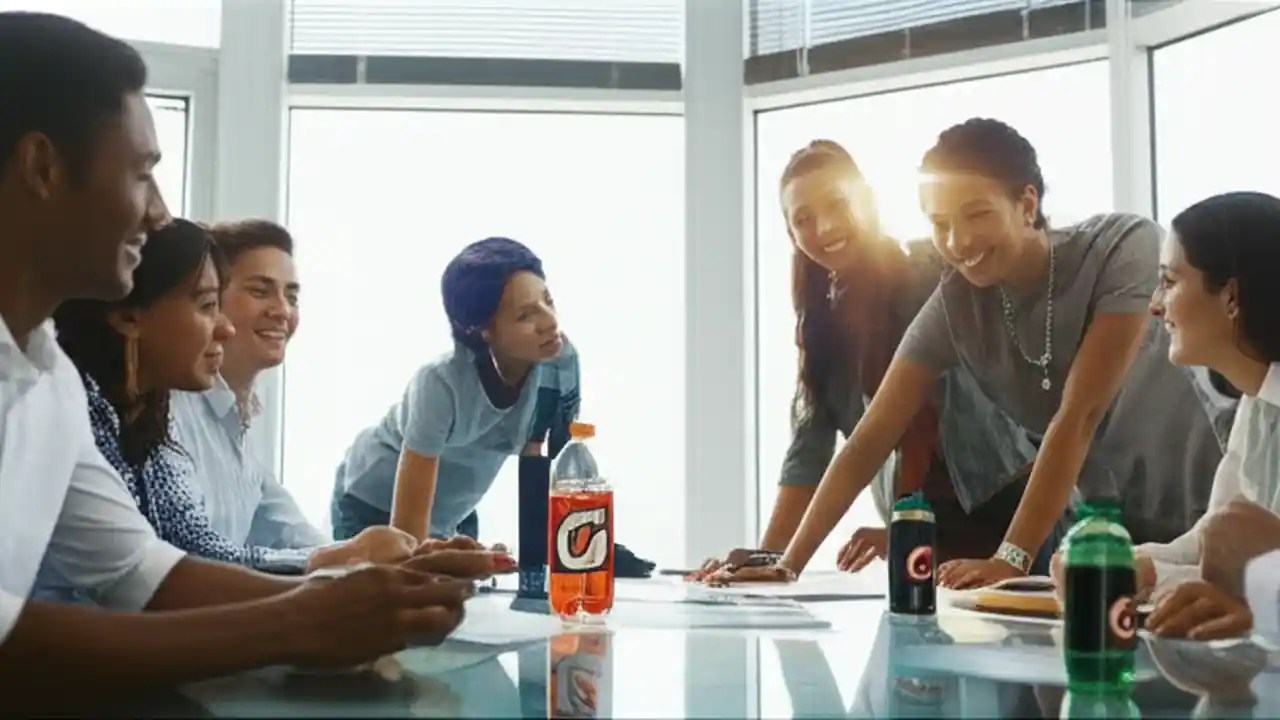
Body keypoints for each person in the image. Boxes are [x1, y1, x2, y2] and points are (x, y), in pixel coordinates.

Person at [0, 12, 491, 703]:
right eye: (142, 175)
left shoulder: (47, 377)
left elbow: (141, 572)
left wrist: (360, 601)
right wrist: (297, 619)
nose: (160, 214)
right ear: (43, 168)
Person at [722, 118, 1226, 588]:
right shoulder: (957, 304)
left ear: (1027, 204)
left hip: (1215, 495)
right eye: (939, 223)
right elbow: (868, 441)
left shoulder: (1122, 247)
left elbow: (1079, 414)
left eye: (977, 214)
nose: (958, 241)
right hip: (1111, 527)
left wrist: (1008, 558)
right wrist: (787, 566)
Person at [694, 139, 1046, 580]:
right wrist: (771, 559)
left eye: (837, 204)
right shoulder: (823, 330)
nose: (823, 227)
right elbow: (809, 453)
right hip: (924, 543)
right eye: (803, 219)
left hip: (1011, 521)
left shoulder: (934, 270)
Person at [52, 218, 414, 575]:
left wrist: (375, 558)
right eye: (209, 305)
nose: (282, 311)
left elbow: (206, 545)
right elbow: (157, 576)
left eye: (292, 296)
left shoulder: (158, 414)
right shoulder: (93, 411)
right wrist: (345, 567)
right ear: (129, 317)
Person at [1093, 191, 1279, 641]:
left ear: (1231, 296)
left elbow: (1239, 564)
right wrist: (1124, 564)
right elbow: (1206, 545)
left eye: (1169, 281)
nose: (1155, 305)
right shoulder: (1257, 406)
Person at [331, 237, 581, 543]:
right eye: (525, 315)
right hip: (372, 504)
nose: (549, 322)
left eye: (548, 300)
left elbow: (539, 457)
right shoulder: (439, 383)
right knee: (406, 584)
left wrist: (563, 546)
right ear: (483, 329)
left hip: (452, 511)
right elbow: (407, 536)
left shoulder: (559, 363)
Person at [168, 219, 329, 551]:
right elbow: (193, 554)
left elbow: (289, 530)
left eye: (292, 296)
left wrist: (388, 558)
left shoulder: (242, 417)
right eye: (260, 291)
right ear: (211, 300)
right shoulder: (170, 410)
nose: (283, 310)